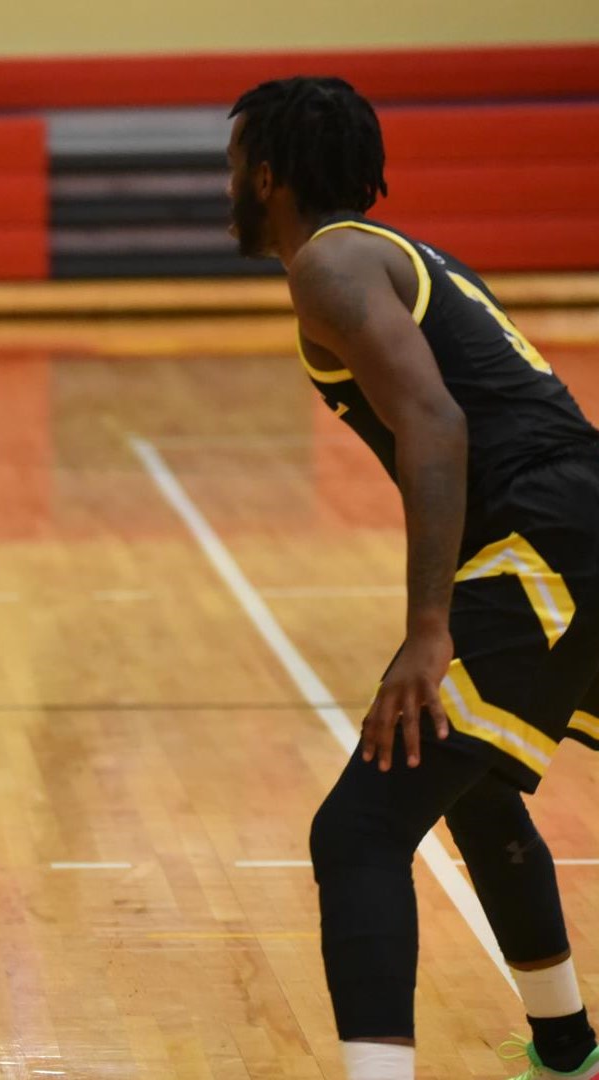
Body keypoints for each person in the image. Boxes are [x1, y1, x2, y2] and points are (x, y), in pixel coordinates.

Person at [227, 76, 599, 1080]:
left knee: (358, 830)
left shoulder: (330, 262)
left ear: (266, 177)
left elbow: (437, 420)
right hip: (571, 526)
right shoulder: (389, 254)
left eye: (234, 164)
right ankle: (566, 1049)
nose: (229, 184)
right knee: (472, 784)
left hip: (550, 533)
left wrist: (430, 627)